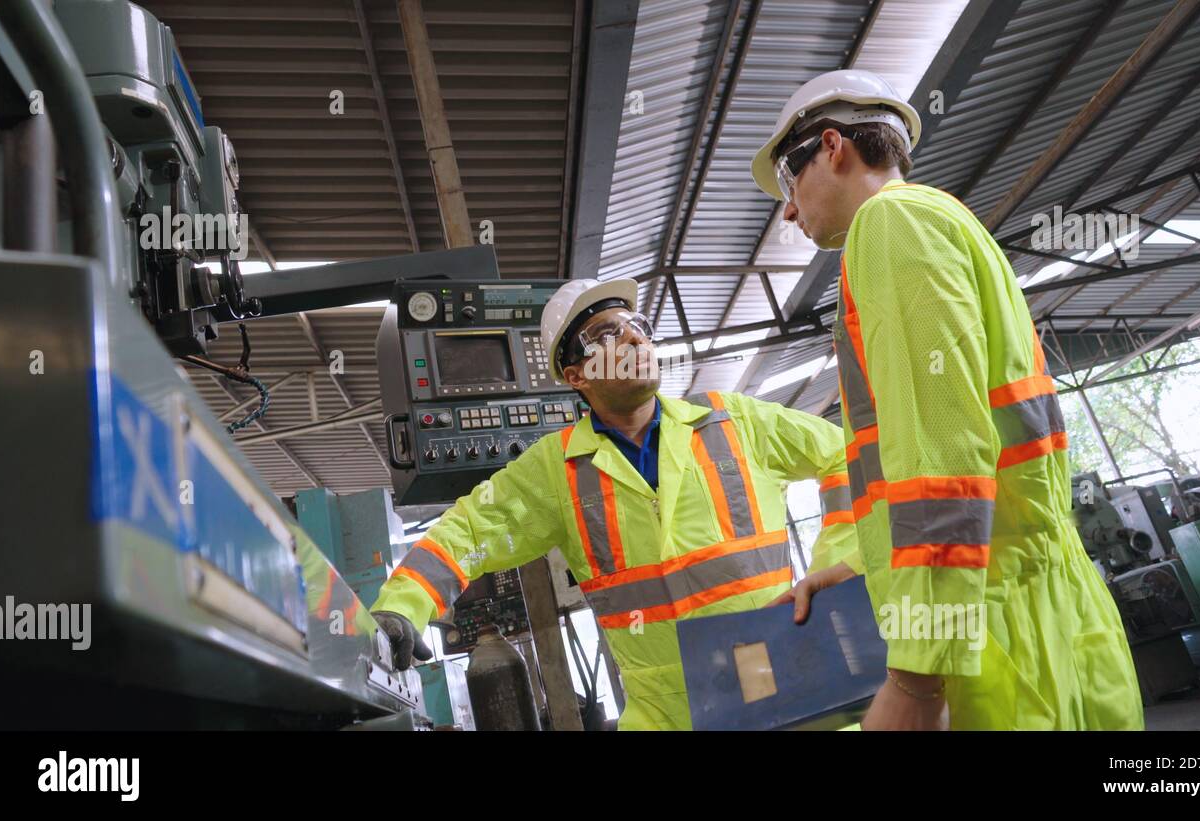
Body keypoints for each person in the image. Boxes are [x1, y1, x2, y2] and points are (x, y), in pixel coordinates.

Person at [751, 68, 1143, 730]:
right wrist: (861, 562)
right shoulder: (945, 218)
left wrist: (917, 677)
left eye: (789, 184)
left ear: (832, 146)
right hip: (1044, 609)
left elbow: (939, 454)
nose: (788, 209)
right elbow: (978, 448)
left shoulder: (889, 226)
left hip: (988, 642)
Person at [371, 277, 862, 730]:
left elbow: (847, 454)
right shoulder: (555, 470)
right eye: (608, 334)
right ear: (575, 376)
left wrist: (834, 564)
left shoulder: (735, 422)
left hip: (787, 686)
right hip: (666, 716)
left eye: (639, 327)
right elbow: (469, 532)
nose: (634, 340)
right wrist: (402, 608)